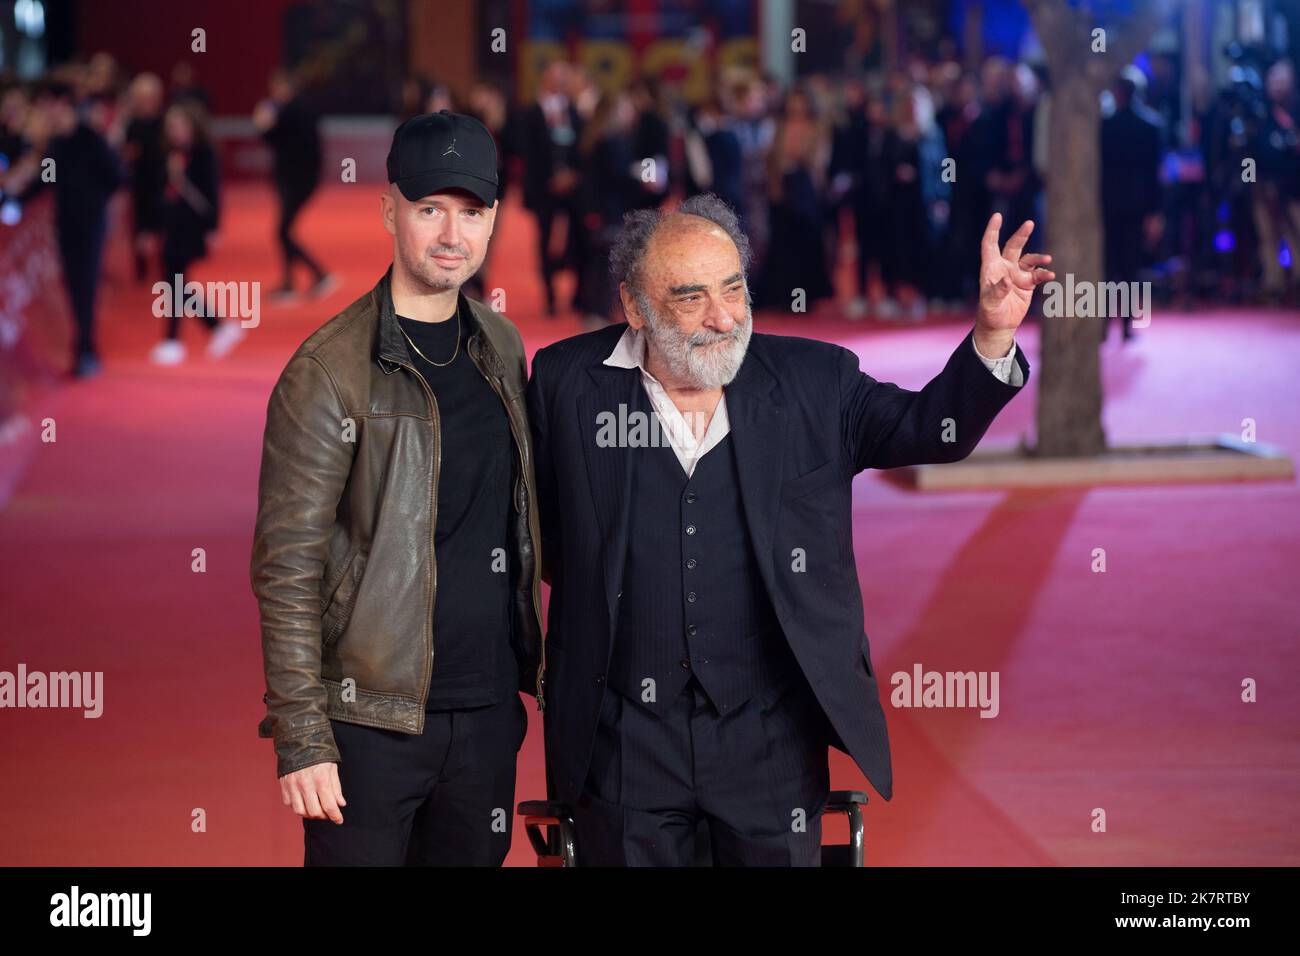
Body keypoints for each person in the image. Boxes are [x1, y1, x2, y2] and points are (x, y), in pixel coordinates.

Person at [526, 194, 1051, 865]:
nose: (722, 318)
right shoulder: (568, 384)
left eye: (734, 289)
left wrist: (992, 334)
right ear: (634, 306)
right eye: (690, 298)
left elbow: (932, 428)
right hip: (627, 743)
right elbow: (543, 535)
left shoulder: (814, 382)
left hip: (768, 744)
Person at [251, 110, 543, 866]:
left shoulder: (502, 346)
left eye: (472, 212)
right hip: (367, 725)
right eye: (430, 209)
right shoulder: (327, 374)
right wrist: (303, 737)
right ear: (389, 211)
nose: (453, 234)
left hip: (485, 719)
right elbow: (287, 567)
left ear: (494, 220)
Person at [149, 102, 244, 364]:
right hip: (171, 225)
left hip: (190, 227)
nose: (175, 131)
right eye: (171, 127)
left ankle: (175, 339)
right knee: (175, 282)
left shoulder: (203, 153)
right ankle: (212, 327)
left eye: (180, 126)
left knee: (175, 282)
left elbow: (212, 194)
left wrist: (213, 227)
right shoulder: (169, 153)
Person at [253, 69, 336, 303]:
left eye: (278, 88)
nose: (274, 93)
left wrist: (263, 123)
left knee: (282, 231)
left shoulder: (289, 111)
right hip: (297, 179)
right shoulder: (301, 109)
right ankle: (291, 282)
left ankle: (318, 274)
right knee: (285, 231)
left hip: (296, 180)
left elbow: (271, 137)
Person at [1101, 65, 1164, 342]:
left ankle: (1103, 325)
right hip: (1137, 205)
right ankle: (1127, 325)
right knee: (1130, 265)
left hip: (1108, 204)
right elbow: (1155, 174)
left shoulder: (1105, 126)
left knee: (1108, 266)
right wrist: (1155, 211)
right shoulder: (1151, 125)